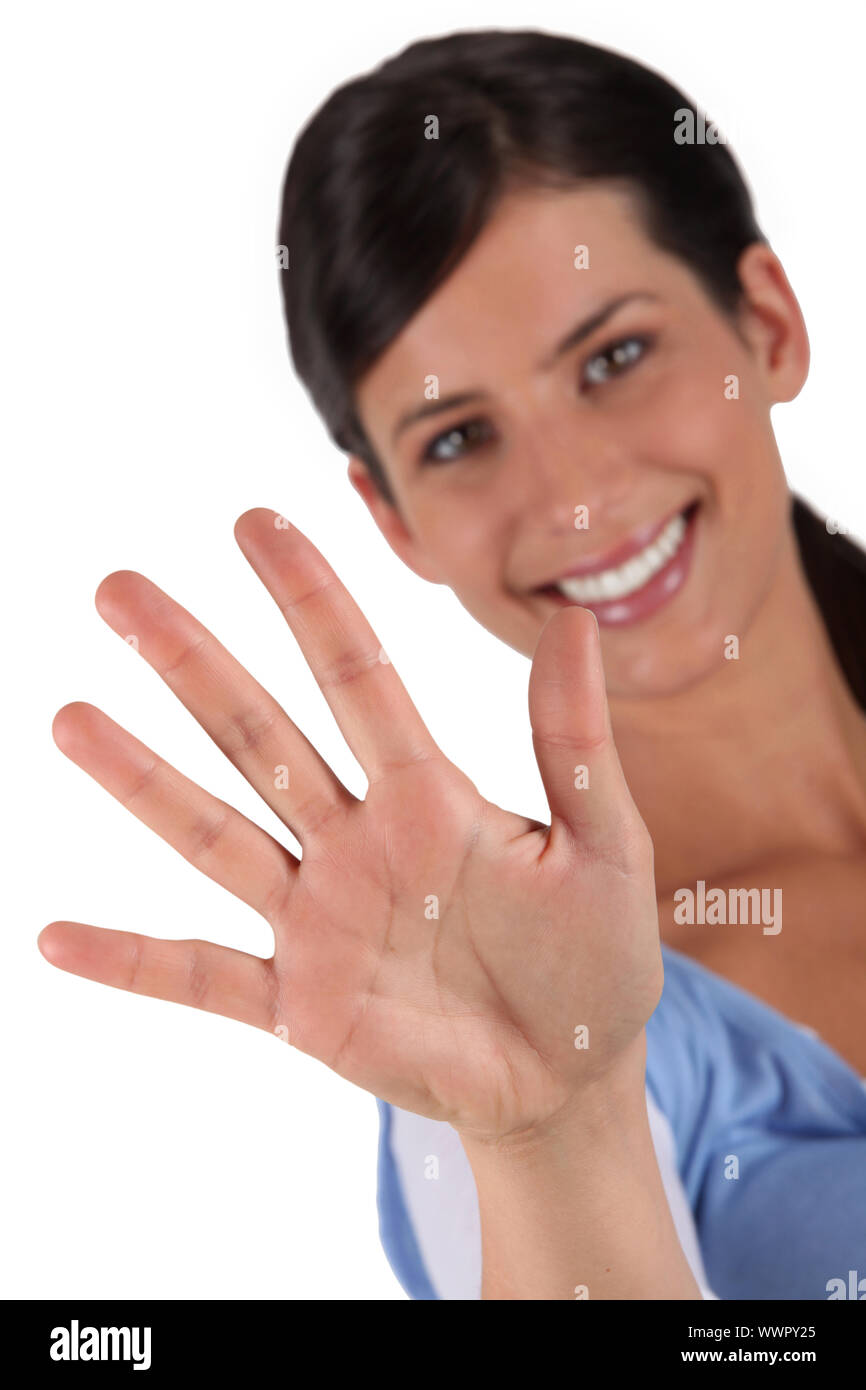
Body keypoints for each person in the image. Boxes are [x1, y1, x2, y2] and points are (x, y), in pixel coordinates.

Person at [39, 29, 866, 1300]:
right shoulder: (510, 1022)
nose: (575, 497)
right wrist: (547, 1126)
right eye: (459, 435)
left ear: (765, 323)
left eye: (612, 358)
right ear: (392, 520)